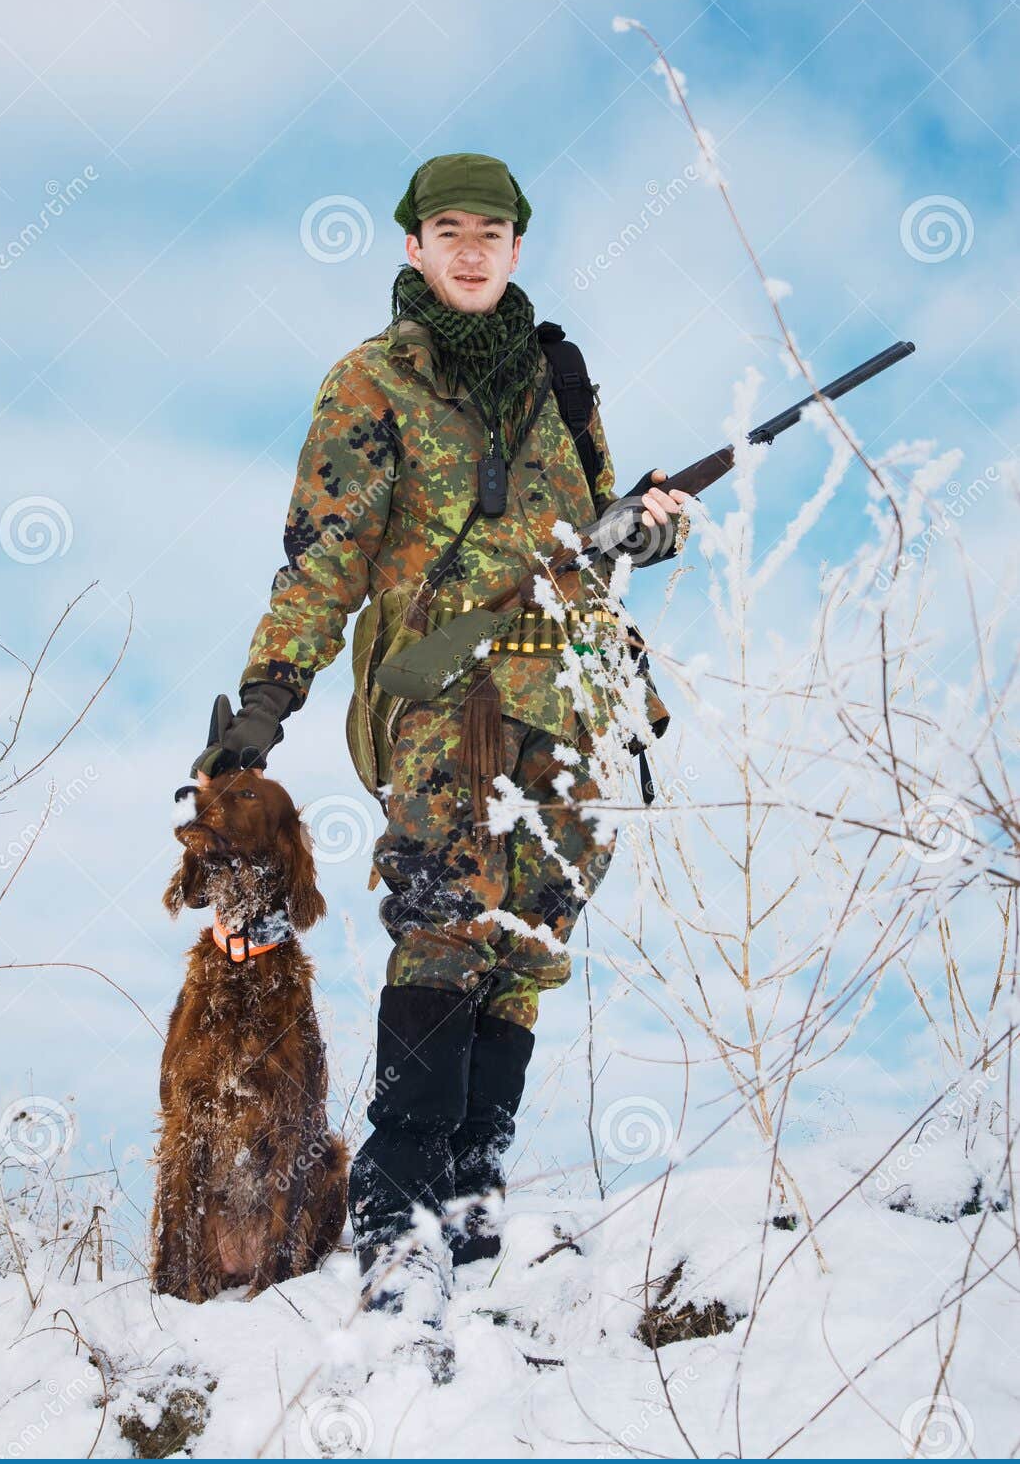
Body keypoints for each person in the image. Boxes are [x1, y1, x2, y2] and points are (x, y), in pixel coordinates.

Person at [191, 153, 689, 1331]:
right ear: (412, 244)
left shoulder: (560, 378)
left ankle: (474, 1190)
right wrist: (268, 695)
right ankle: (396, 1205)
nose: (470, 248)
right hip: (442, 699)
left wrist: (648, 531)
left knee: (529, 936)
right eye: (447, 228)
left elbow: (597, 531)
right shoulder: (369, 381)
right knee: (444, 913)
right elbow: (326, 555)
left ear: (518, 247)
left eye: (492, 230)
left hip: (569, 696)